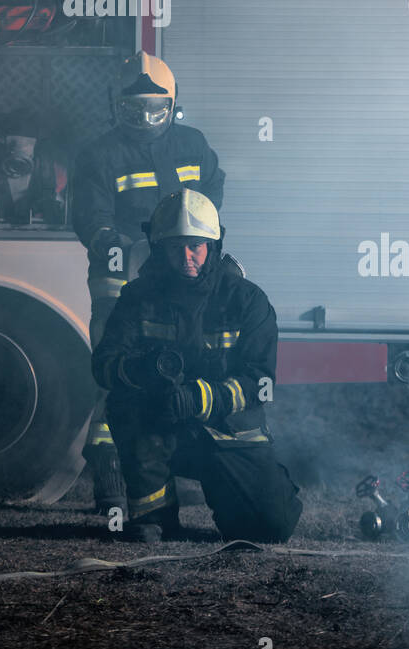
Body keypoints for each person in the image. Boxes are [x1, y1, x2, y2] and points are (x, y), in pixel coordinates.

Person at [92, 188, 302, 544]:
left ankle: (237, 494)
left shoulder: (247, 301)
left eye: (196, 246)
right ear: (160, 249)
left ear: (213, 246)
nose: (186, 257)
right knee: (125, 404)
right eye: (176, 248)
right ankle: (154, 516)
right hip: (159, 422)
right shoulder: (138, 298)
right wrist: (140, 372)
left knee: (269, 529)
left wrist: (202, 397)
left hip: (226, 430)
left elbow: (260, 383)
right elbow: (104, 365)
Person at [72, 52, 225, 513]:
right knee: (117, 372)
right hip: (119, 281)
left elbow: (212, 197)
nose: (144, 118)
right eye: (134, 109)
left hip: (175, 278)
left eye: (155, 109)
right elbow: (90, 217)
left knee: (183, 369)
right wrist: (116, 246)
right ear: (117, 108)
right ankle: (110, 469)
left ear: (172, 104)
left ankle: (173, 472)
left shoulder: (194, 145)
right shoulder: (100, 154)